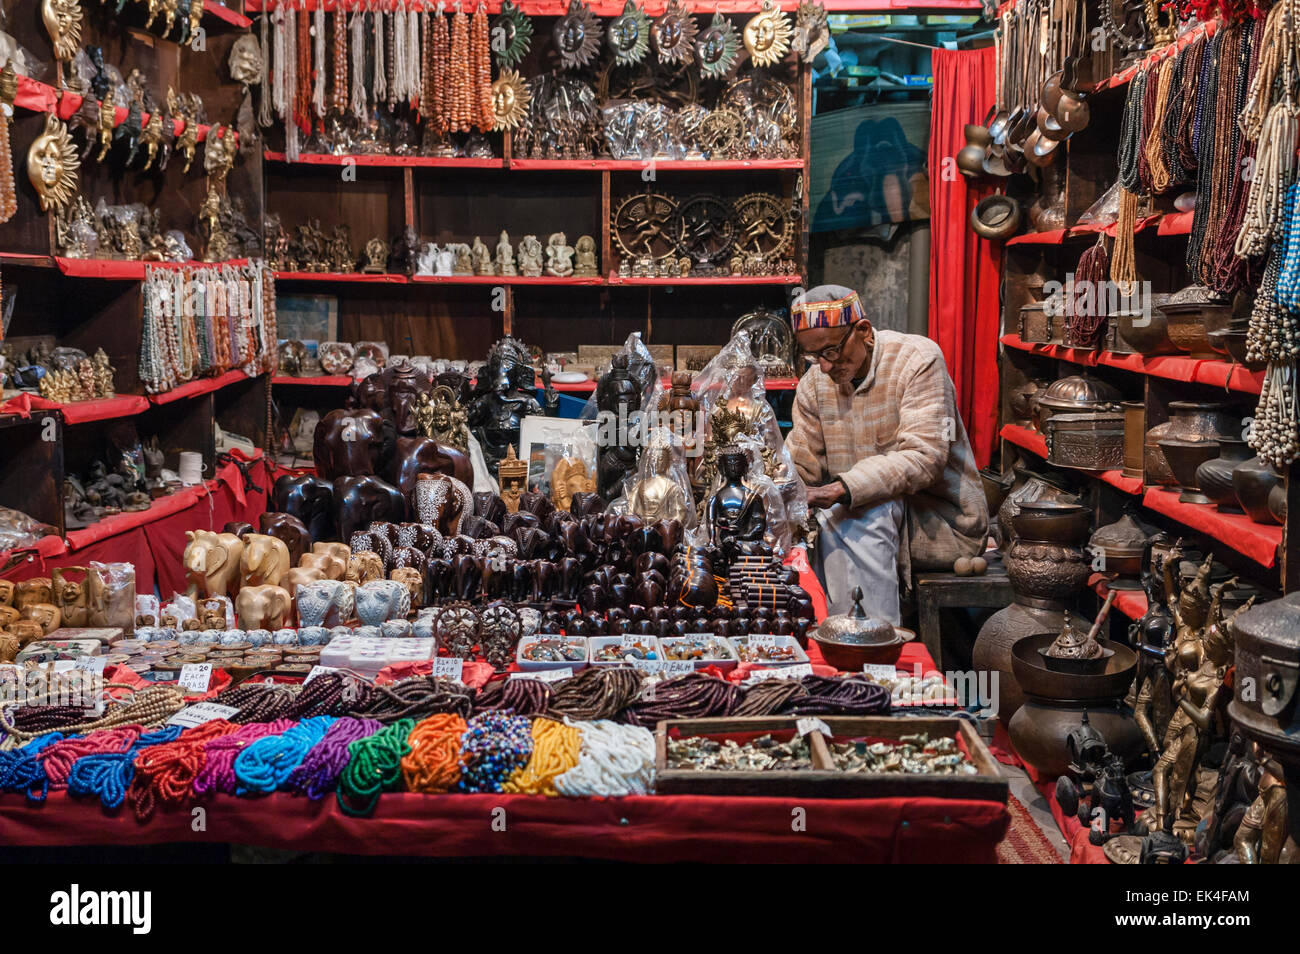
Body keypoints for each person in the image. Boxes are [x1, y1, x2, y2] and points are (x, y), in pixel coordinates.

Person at [784, 285, 988, 622]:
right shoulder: (814, 385)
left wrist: (840, 489)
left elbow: (924, 459)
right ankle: (833, 635)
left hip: (938, 521)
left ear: (862, 331)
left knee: (862, 514)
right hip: (857, 515)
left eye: (832, 351)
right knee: (822, 521)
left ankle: (872, 647)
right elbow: (801, 465)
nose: (823, 367)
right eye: (812, 356)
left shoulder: (917, 360)